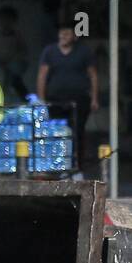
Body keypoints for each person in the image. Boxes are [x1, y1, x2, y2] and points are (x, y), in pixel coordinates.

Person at [37, 22, 99, 173]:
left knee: (77, 132)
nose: (63, 36)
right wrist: (41, 99)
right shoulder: (50, 51)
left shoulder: (84, 51)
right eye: (61, 32)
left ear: (75, 36)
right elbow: (42, 75)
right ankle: (58, 166)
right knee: (56, 132)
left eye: (67, 33)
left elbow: (93, 75)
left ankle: (77, 167)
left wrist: (94, 98)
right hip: (55, 100)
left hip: (79, 100)